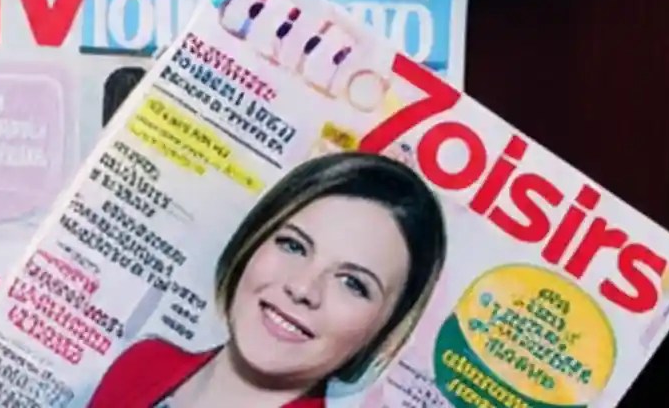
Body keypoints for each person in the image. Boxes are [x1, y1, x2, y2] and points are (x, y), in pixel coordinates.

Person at [88, 152, 447, 408]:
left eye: (353, 283)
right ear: (252, 240)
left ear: (384, 334)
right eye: (293, 245)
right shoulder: (144, 363)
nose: (303, 288)